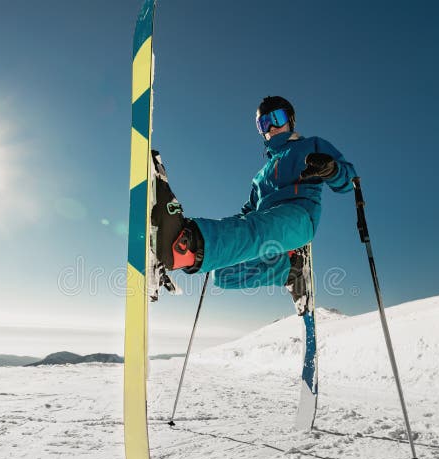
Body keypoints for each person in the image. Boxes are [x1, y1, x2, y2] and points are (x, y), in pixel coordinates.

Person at [152, 96, 357, 314]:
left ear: (290, 120)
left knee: (257, 229)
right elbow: (247, 213)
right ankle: (290, 270)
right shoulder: (260, 176)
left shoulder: (311, 146)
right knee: (222, 274)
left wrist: (331, 169)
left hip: (298, 217)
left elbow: (349, 179)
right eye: (263, 123)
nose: (271, 127)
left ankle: (184, 244)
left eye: (276, 118)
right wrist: (225, 232)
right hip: (264, 223)